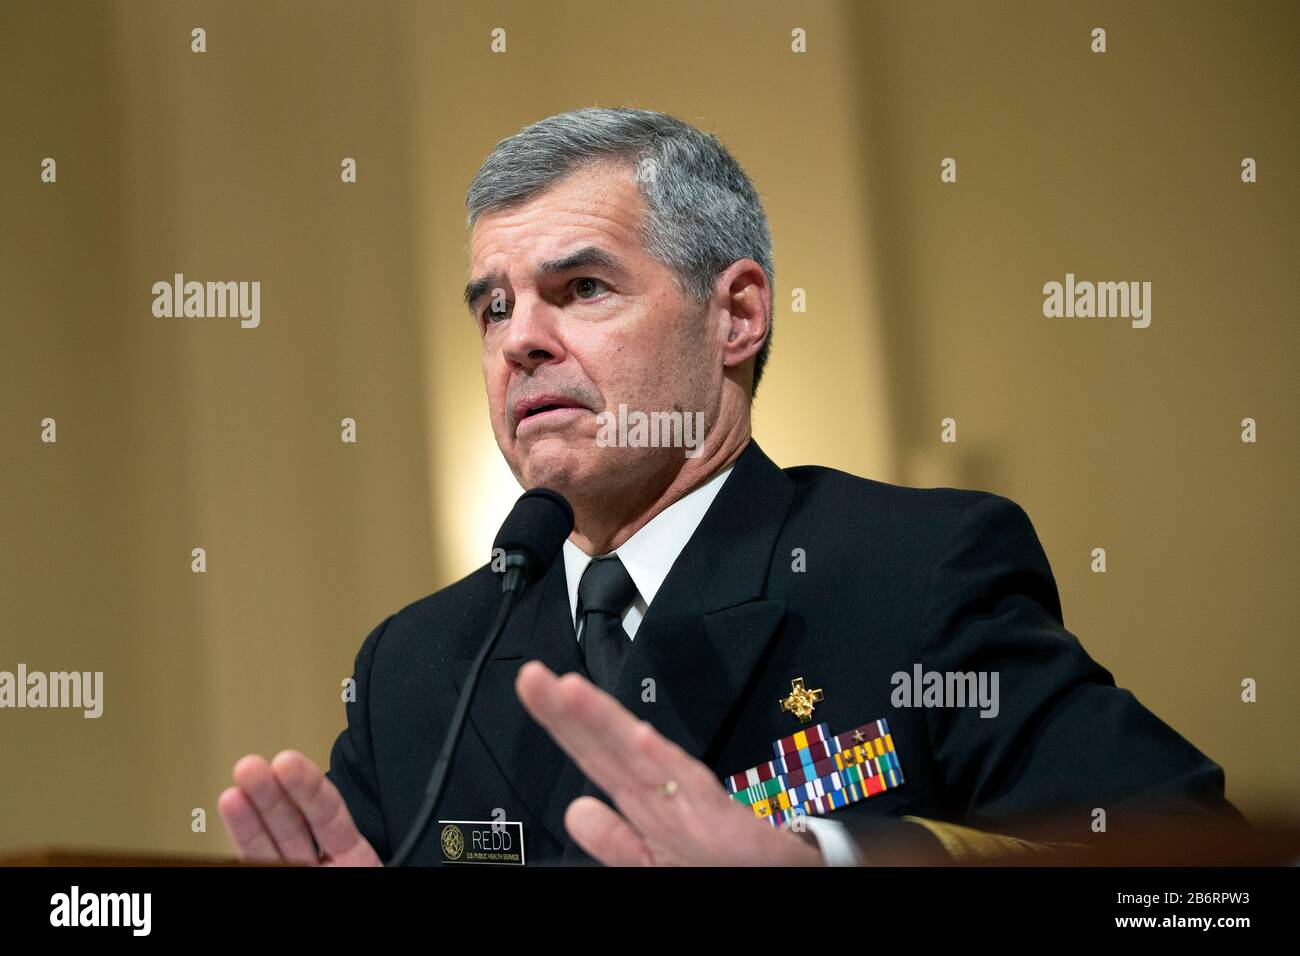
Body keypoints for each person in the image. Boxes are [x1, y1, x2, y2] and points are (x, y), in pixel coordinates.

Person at [218, 107, 1245, 867]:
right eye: (492, 307)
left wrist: (824, 864)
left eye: (580, 287)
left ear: (736, 315)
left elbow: (1198, 875)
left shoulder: (911, 571)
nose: (520, 338)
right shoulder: (417, 664)